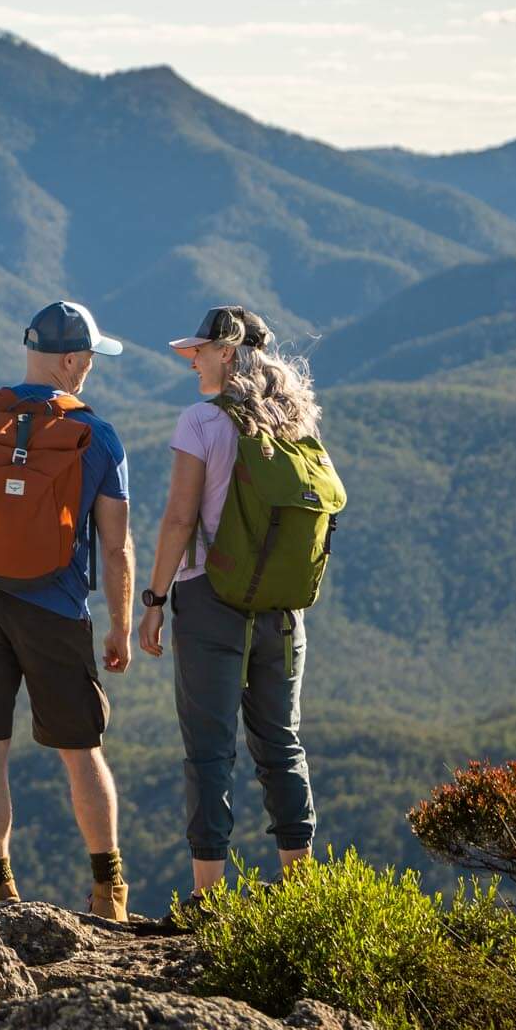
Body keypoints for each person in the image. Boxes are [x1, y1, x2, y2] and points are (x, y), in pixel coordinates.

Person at [0, 300, 135, 922]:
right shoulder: (98, 434)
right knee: (81, 749)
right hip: (56, 609)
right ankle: (107, 891)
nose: (90, 368)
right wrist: (120, 624)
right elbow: (115, 545)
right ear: (69, 358)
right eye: (89, 357)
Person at [135, 305, 325, 901]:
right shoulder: (297, 422)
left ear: (228, 352)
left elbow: (178, 518)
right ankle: (302, 887)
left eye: (201, 350)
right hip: (282, 609)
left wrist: (154, 598)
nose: (192, 360)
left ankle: (209, 896)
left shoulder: (201, 421)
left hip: (209, 598)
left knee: (210, 748)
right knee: (281, 743)